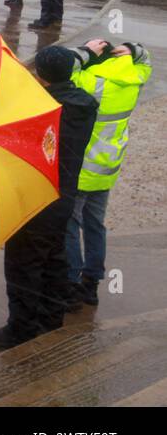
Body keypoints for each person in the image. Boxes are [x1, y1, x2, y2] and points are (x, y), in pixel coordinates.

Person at [0, 46, 97, 349]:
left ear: (42, 77)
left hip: (34, 199)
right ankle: (50, 319)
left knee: (23, 266)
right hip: (64, 196)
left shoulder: (39, 109)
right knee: (53, 260)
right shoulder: (84, 104)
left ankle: (20, 330)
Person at [64, 40, 152, 310]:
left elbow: (62, 65)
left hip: (82, 169)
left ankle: (71, 282)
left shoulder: (90, 81)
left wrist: (86, 50)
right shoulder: (133, 78)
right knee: (95, 225)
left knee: (70, 225)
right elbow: (145, 62)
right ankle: (91, 284)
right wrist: (134, 50)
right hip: (108, 167)